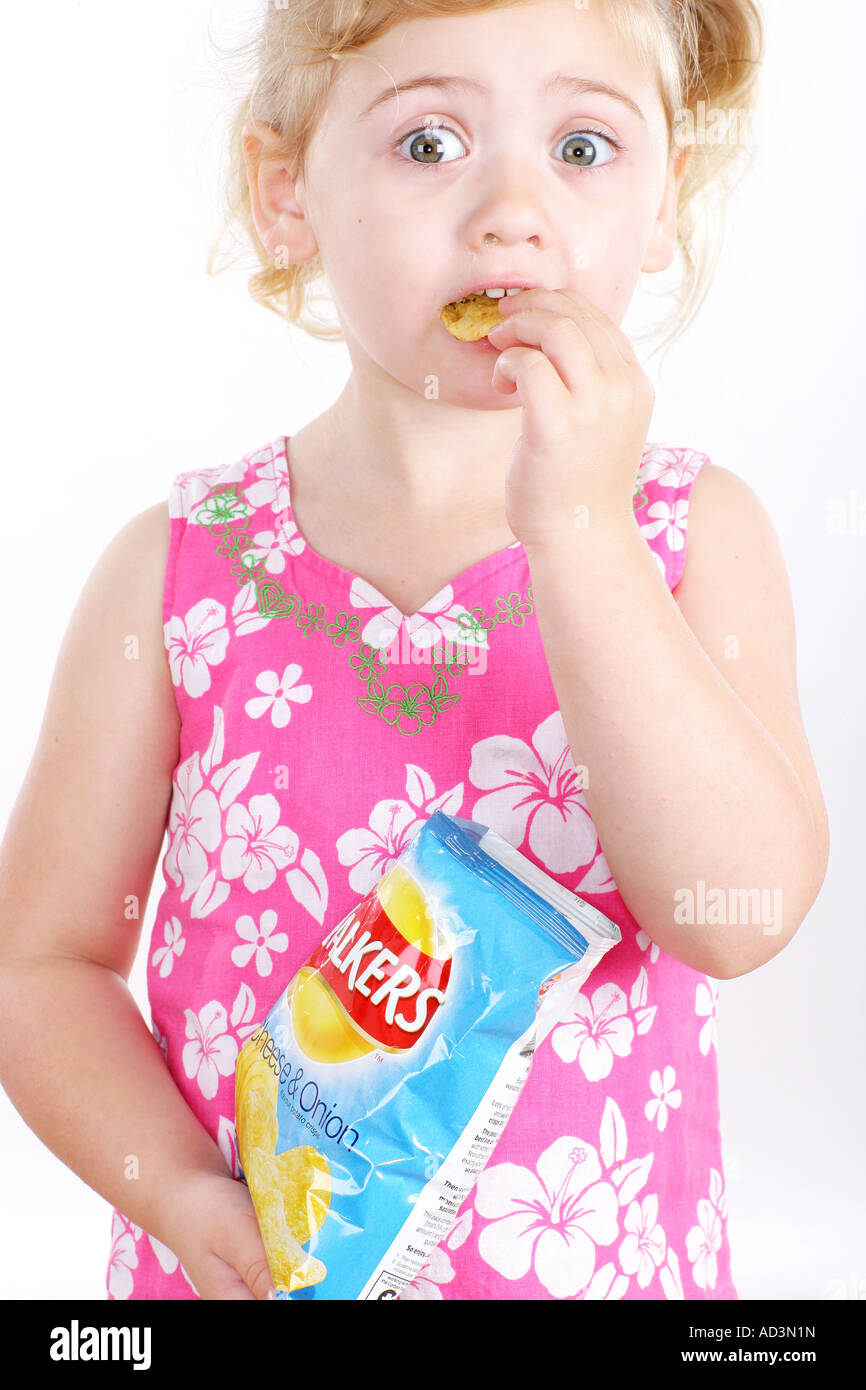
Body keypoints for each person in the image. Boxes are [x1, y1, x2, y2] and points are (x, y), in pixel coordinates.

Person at [0, 0, 829, 1302]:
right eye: (431, 140)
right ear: (287, 195)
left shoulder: (681, 539)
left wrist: (576, 535)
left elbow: (738, 912)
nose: (512, 208)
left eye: (583, 147)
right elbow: (42, 959)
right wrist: (178, 1191)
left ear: (663, 201)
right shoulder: (174, 573)